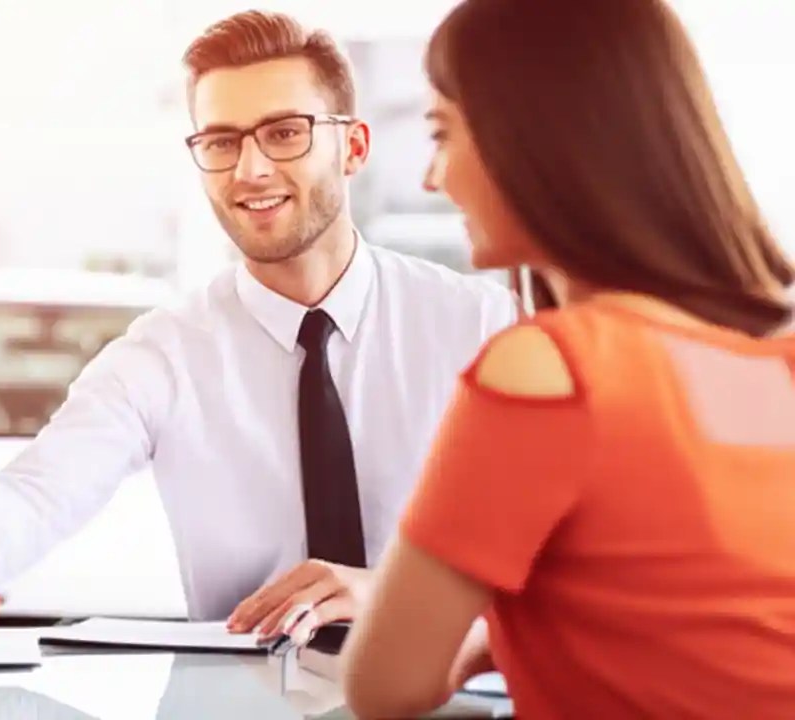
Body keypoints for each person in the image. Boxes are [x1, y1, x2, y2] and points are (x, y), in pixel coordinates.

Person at [0, 10, 518, 637]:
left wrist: (395, 595)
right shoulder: (165, 354)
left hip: (450, 693)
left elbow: (554, 550)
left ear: (352, 147)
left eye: (284, 132)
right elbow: (44, 486)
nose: (250, 170)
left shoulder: (477, 326)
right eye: (222, 142)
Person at [340, 0, 795, 717]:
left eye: (442, 134)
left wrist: (487, 634)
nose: (433, 178)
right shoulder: (774, 369)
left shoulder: (548, 369)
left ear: (535, 140)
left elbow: (383, 685)